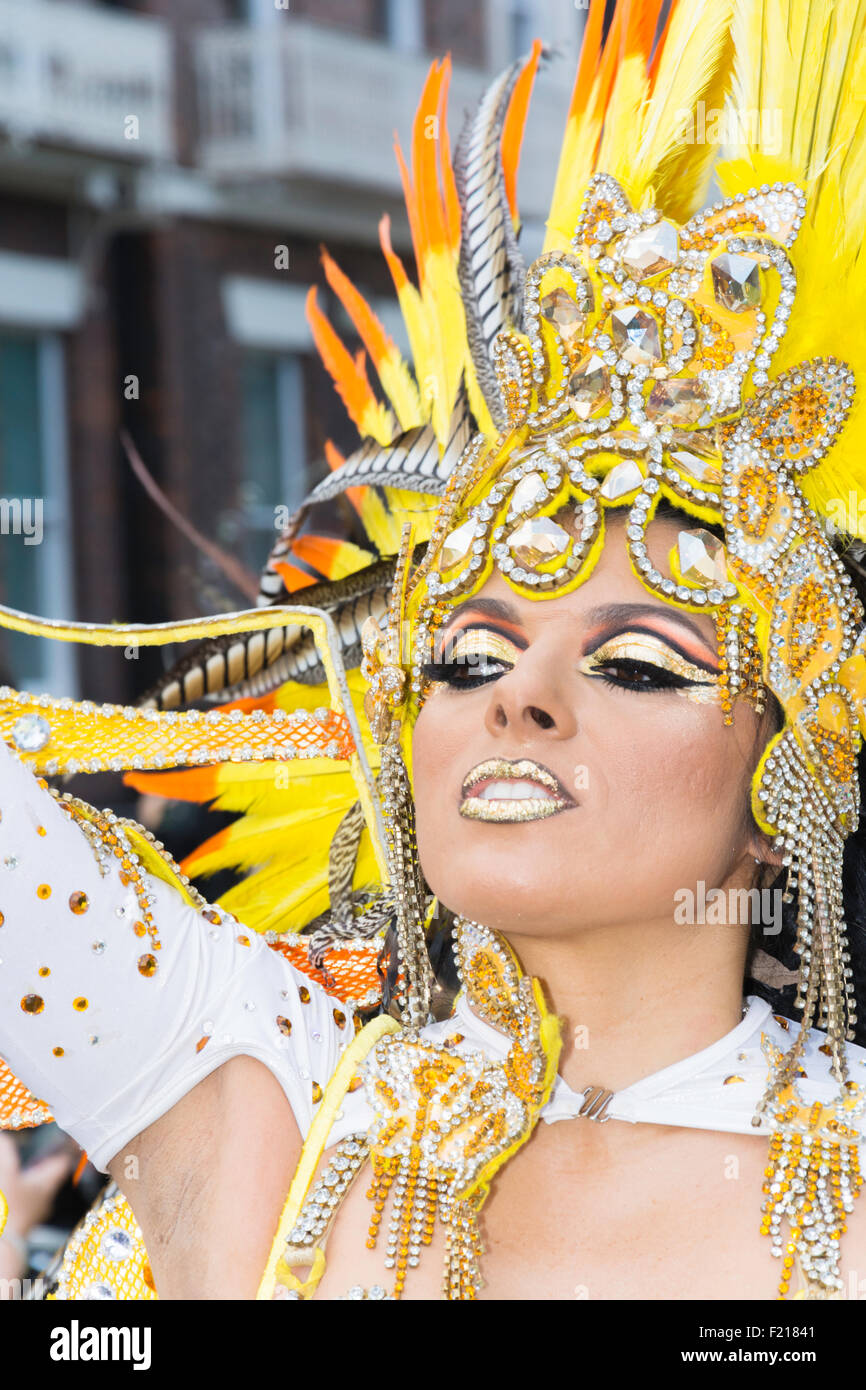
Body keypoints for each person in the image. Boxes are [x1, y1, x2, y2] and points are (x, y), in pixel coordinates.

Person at [1, 0, 866, 1300]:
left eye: (633, 662)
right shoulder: (271, 1094)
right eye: (465, 659)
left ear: (785, 779)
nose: (517, 700)